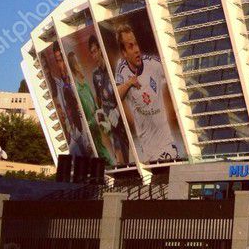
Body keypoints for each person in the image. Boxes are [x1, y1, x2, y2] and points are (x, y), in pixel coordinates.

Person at [113, 21, 184, 163]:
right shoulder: (121, 70)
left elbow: (176, 71)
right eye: (130, 46)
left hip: (165, 142)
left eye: (136, 44)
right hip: (145, 147)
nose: (136, 50)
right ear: (124, 53)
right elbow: (116, 96)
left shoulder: (153, 64)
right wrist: (129, 83)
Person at [68, 51, 114, 166]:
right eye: (78, 63)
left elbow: (95, 107)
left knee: (107, 155)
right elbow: (83, 115)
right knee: (104, 158)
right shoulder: (77, 89)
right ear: (75, 67)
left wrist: (102, 118)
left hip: (99, 130)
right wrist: (94, 122)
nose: (81, 65)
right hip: (92, 135)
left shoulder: (86, 85)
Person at [89, 34, 129, 166]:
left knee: (124, 155)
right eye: (91, 53)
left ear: (101, 50)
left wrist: (117, 111)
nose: (94, 56)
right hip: (109, 124)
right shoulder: (96, 75)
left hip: (121, 120)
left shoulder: (114, 69)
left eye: (95, 51)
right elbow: (99, 98)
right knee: (117, 158)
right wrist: (98, 112)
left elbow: (127, 94)